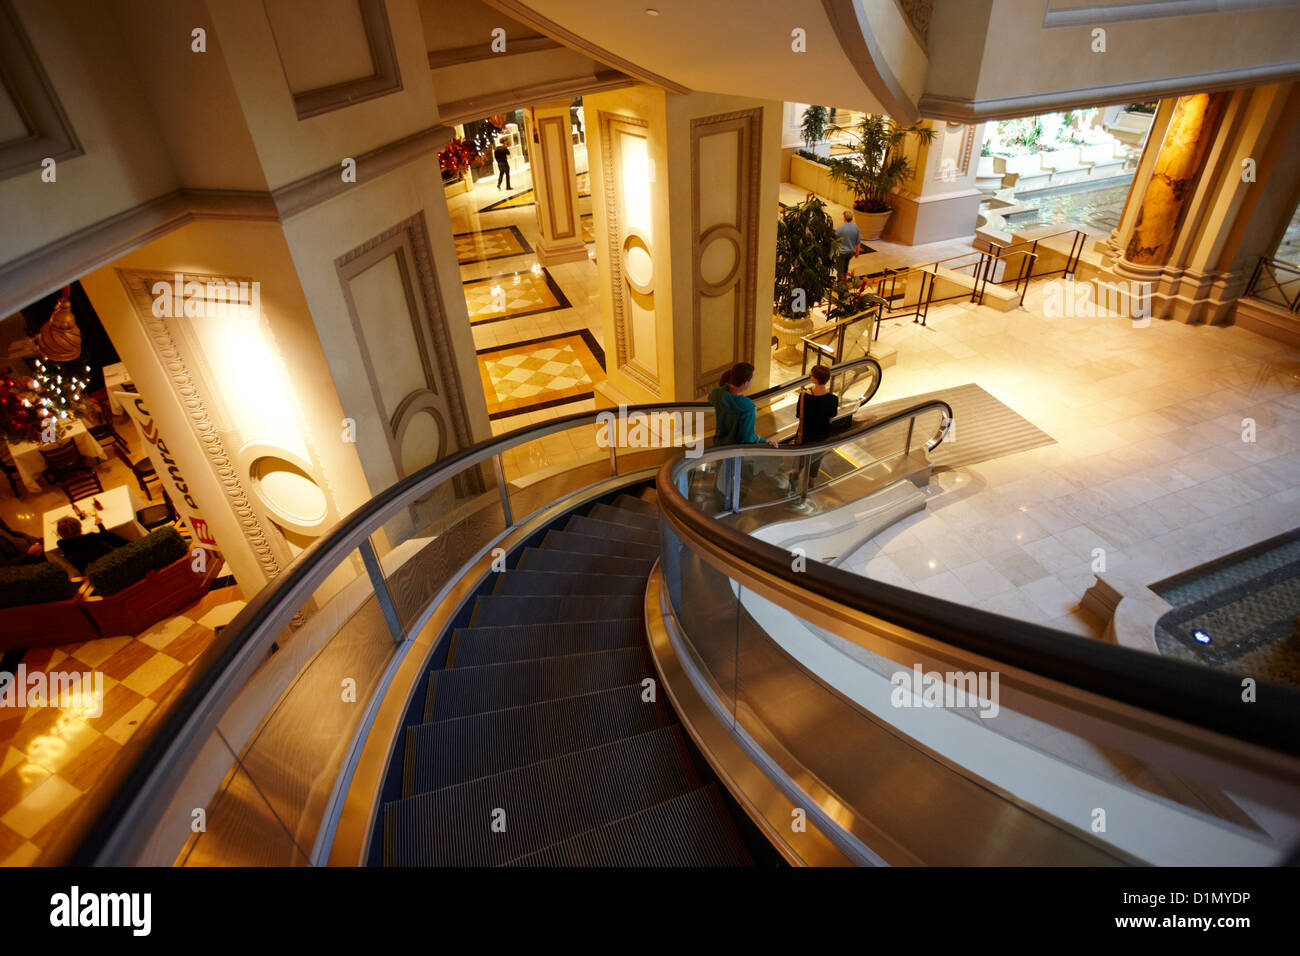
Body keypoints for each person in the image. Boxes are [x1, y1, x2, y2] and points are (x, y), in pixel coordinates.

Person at [708, 362, 777, 448]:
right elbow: (746, 438)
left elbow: (713, 395)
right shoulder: (749, 407)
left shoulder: (717, 393)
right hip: (736, 451)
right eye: (751, 378)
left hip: (718, 445)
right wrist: (763, 440)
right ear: (745, 383)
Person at [795, 364, 839, 490]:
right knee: (815, 465)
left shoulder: (804, 396)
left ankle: (792, 489)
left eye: (811, 375)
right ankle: (809, 489)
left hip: (804, 437)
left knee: (798, 464)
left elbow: (799, 415)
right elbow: (831, 417)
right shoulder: (833, 399)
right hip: (821, 438)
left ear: (814, 379)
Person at [55, 515, 125, 574]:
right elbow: (107, 535)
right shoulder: (92, 537)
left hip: (91, 572)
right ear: (79, 526)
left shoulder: (62, 544)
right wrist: (99, 524)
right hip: (112, 562)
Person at [835, 210, 860, 279]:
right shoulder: (856, 228)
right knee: (846, 265)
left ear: (844, 218)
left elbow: (835, 239)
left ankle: (840, 283)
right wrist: (857, 252)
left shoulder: (840, 228)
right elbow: (857, 242)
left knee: (839, 267)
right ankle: (844, 279)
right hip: (851, 252)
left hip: (842, 252)